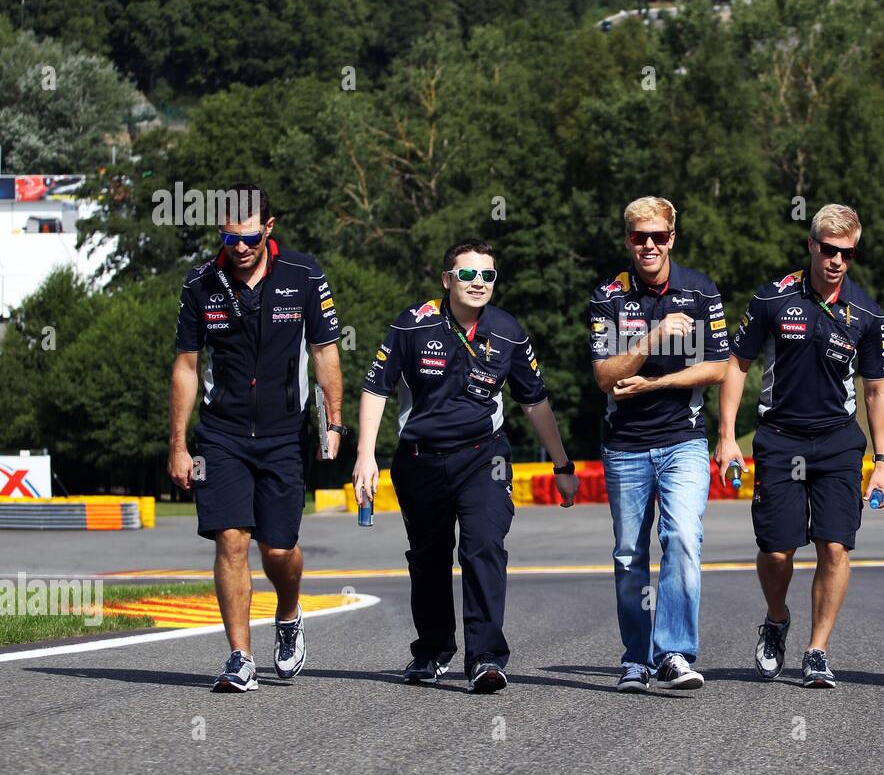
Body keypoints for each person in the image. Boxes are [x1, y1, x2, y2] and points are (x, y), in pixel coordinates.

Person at [352, 239, 579, 693]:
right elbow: (376, 387)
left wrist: (561, 465)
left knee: (482, 547)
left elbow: (535, 402)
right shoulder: (412, 325)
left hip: (484, 458)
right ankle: (433, 651)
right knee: (428, 558)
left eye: (488, 275)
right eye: (468, 274)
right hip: (419, 461)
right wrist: (365, 457)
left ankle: (487, 658)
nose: (478, 283)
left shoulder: (509, 331)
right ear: (447, 279)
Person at [170, 183, 344, 692]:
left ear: (268, 228)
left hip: (283, 431)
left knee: (278, 550)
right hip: (221, 432)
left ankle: (288, 616)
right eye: (229, 238)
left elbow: (325, 351)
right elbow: (185, 366)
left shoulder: (303, 274)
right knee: (230, 539)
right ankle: (239, 657)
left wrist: (332, 422)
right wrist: (178, 443)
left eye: (247, 237)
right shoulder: (200, 282)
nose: (239, 247)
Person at [717, 203, 884, 689]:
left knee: (833, 546)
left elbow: (876, 388)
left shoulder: (867, 312)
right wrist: (728, 437)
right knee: (777, 550)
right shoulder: (772, 299)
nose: (837, 260)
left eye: (848, 253)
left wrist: (882, 461)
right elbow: (737, 365)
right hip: (779, 440)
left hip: (838, 442)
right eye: (829, 249)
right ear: (812, 245)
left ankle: (817, 649)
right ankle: (776, 620)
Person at [589, 196, 729, 692]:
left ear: (673, 235)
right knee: (629, 554)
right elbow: (605, 375)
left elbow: (720, 366)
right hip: (625, 444)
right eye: (638, 237)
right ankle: (634, 658)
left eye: (658, 236)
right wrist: (651, 338)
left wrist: (657, 384)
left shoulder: (699, 290)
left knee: (683, 540)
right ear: (627, 239)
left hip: (683, 439)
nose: (649, 245)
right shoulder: (608, 294)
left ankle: (673, 653)